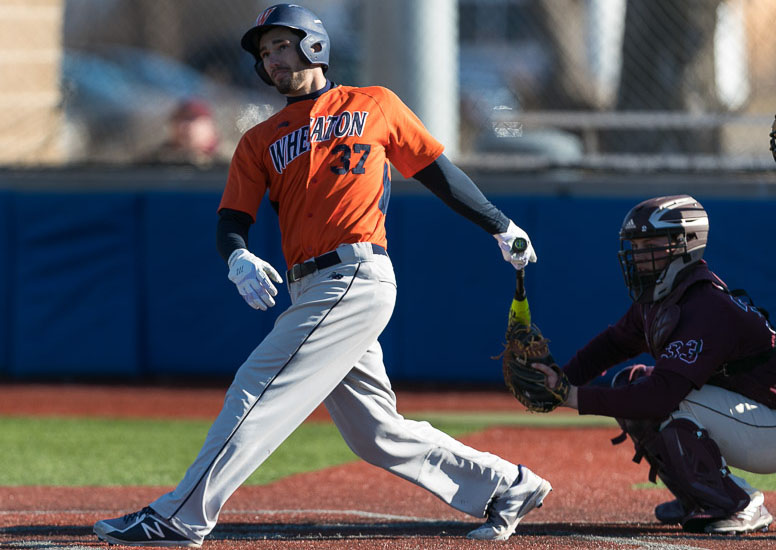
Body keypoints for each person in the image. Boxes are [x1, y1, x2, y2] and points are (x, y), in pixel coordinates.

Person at [94, 4, 549, 546]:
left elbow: (438, 173)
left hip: (353, 277)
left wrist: (500, 225)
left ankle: (181, 516)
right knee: (374, 433)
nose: (272, 60)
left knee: (257, 388)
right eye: (265, 54)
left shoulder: (374, 103)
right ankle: (507, 487)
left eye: (281, 46)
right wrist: (237, 258)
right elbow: (231, 223)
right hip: (310, 286)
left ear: (313, 45)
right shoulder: (258, 139)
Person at [532, 195, 776, 534]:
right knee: (631, 383)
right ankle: (701, 495)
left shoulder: (707, 306)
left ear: (686, 243)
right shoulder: (665, 294)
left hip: (770, 423)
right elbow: (613, 344)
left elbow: (659, 398)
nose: (638, 252)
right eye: (635, 244)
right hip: (754, 416)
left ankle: (738, 503)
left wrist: (570, 396)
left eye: (650, 242)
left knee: (666, 403)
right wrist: (561, 377)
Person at [142, 98, 224, 168]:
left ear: (210, 126)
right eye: (179, 120)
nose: (184, 126)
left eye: (191, 119)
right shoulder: (153, 164)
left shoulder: (226, 166)